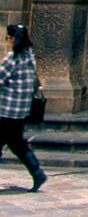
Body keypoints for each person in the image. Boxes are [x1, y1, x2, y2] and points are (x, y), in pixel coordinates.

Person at [0, 25, 47, 192]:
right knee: (17, 143)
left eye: (8, 38)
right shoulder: (29, 57)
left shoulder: (12, 58)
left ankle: (37, 173)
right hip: (21, 110)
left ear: (13, 39)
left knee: (15, 143)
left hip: (6, 110)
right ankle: (37, 173)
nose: (8, 41)